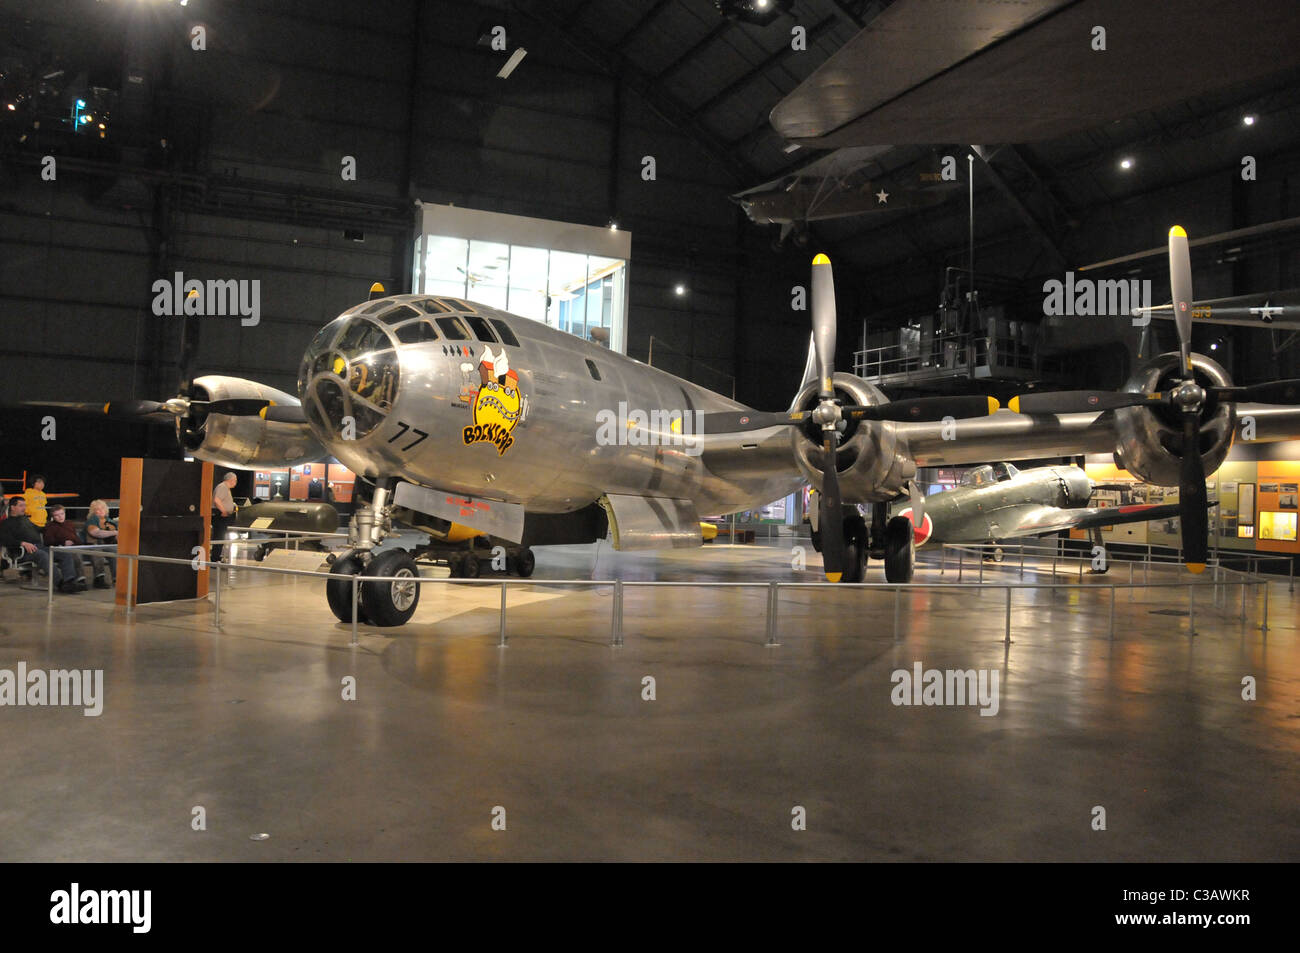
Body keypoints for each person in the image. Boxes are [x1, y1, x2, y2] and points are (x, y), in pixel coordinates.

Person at [1, 497, 85, 591]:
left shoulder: (25, 520)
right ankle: (60, 584)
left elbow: (41, 529)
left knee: (64, 553)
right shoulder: (6, 523)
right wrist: (23, 543)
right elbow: (5, 540)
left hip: (39, 547)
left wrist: (55, 525)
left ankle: (69, 581)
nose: (24, 508)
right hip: (23, 553)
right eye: (21, 505)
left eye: (25, 505)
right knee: (42, 555)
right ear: (12, 507)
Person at [84, 499, 118, 587]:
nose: (101, 511)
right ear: (94, 511)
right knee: (97, 552)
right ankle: (99, 579)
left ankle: (117, 579)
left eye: (102, 508)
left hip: (107, 544)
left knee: (116, 551)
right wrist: (114, 533)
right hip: (93, 544)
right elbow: (96, 533)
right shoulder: (92, 519)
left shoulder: (110, 520)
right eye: (97, 509)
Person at [211, 471, 238, 563]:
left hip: (223, 516)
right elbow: (217, 500)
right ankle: (215, 559)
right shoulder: (222, 487)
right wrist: (223, 511)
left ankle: (217, 557)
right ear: (231, 480)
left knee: (220, 537)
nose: (236, 482)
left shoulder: (225, 488)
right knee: (218, 536)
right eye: (235, 480)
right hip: (220, 516)